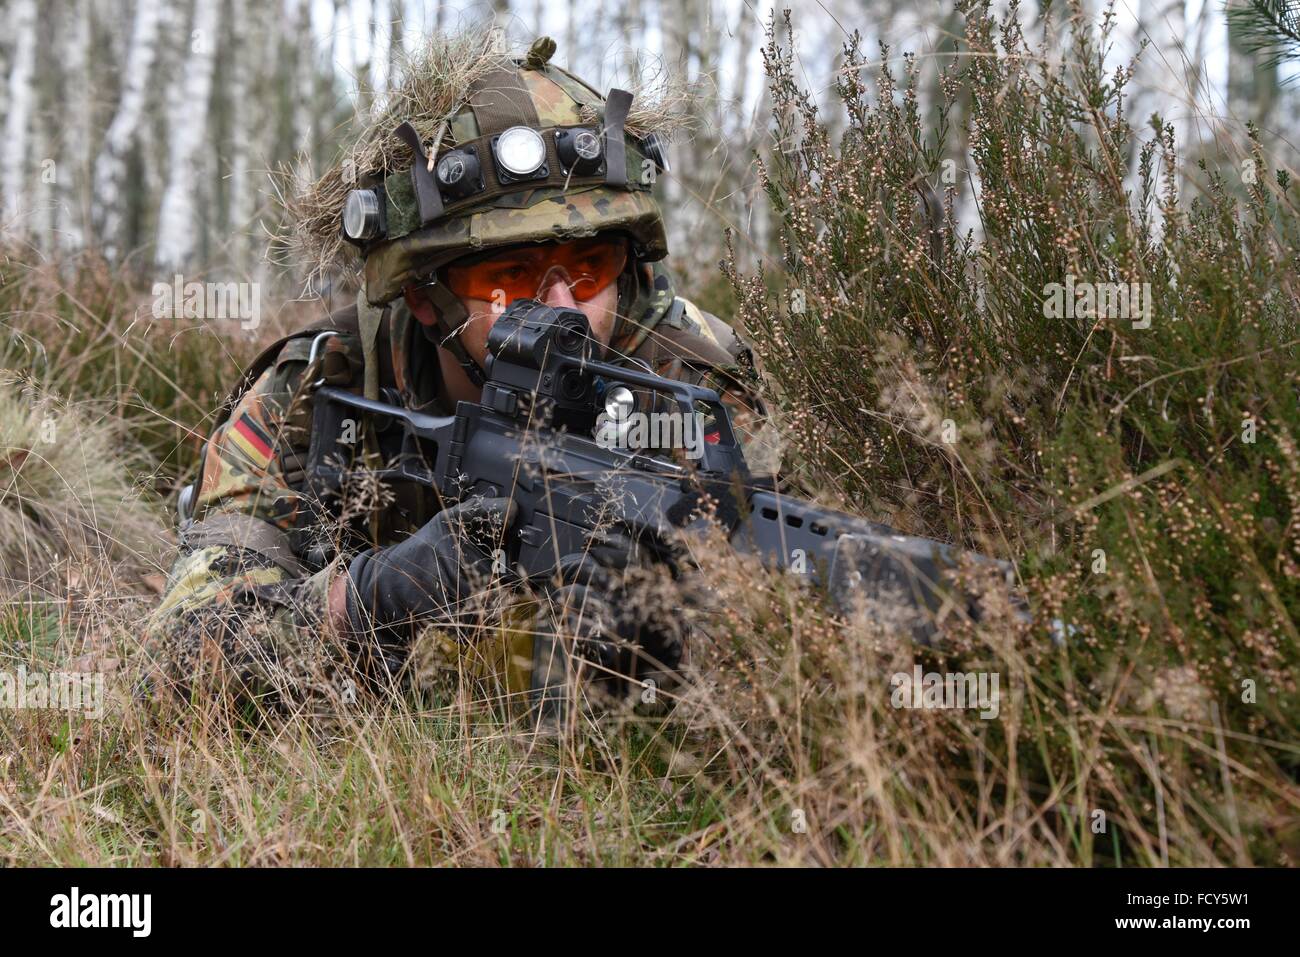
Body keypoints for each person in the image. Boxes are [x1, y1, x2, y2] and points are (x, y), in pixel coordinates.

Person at [142, 36, 772, 725]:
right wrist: (372, 597)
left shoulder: (690, 376)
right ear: (423, 295)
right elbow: (176, 669)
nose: (564, 309)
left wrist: (679, 610)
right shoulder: (319, 387)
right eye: (508, 278)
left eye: (591, 264)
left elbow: (805, 633)